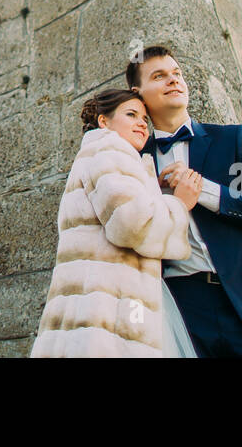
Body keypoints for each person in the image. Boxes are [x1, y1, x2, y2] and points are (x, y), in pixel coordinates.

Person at [127, 45, 242, 357]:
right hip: (181, 309)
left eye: (177, 74)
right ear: (138, 94)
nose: (173, 80)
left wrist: (203, 191)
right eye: (159, 76)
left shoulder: (230, 140)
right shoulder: (134, 159)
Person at [31, 88, 204, 357]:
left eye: (145, 119)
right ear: (104, 121)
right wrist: (179, 204)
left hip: (93, 307)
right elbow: (130, 224)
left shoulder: (98, 152)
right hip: (110, 312)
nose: (140, 123)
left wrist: (150, 190)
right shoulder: (111, 148)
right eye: (131, 114)